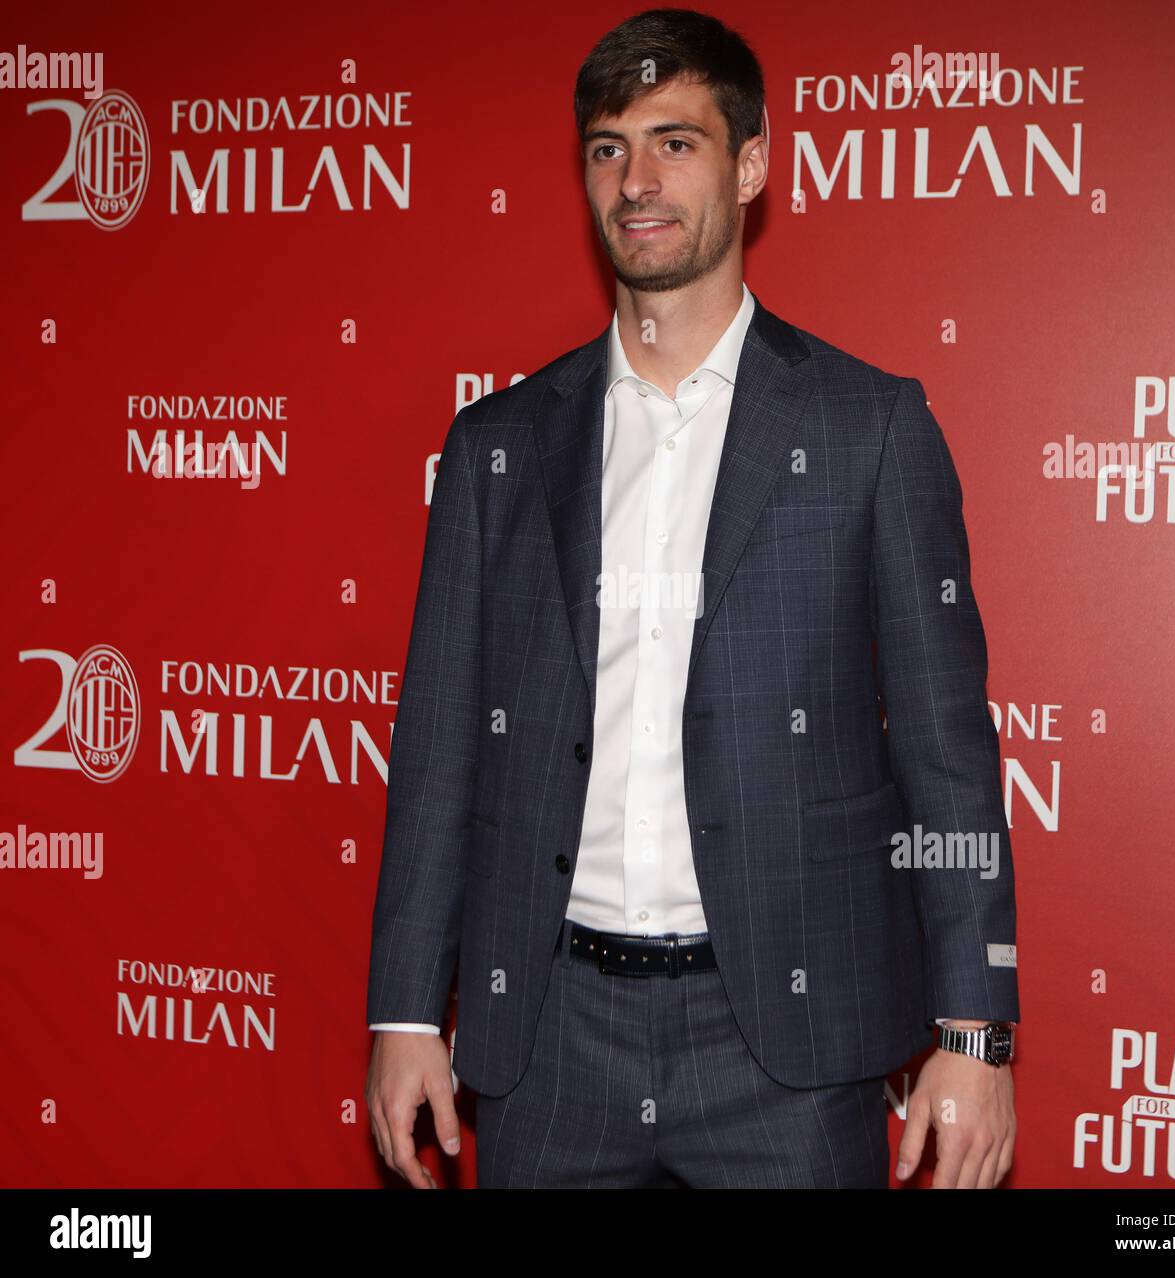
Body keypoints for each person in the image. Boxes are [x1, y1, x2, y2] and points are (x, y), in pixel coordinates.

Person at [365, 7, 1019, 1189]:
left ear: (753, 164)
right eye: (609, 148)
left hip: (785, 1051)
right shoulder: (498, 448)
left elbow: (947, 753)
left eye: (676, 141)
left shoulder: (867, 428)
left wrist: (975, 1034)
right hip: (546, 1039)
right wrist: (406, 1012)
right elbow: (439, 749)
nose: (636, 181)